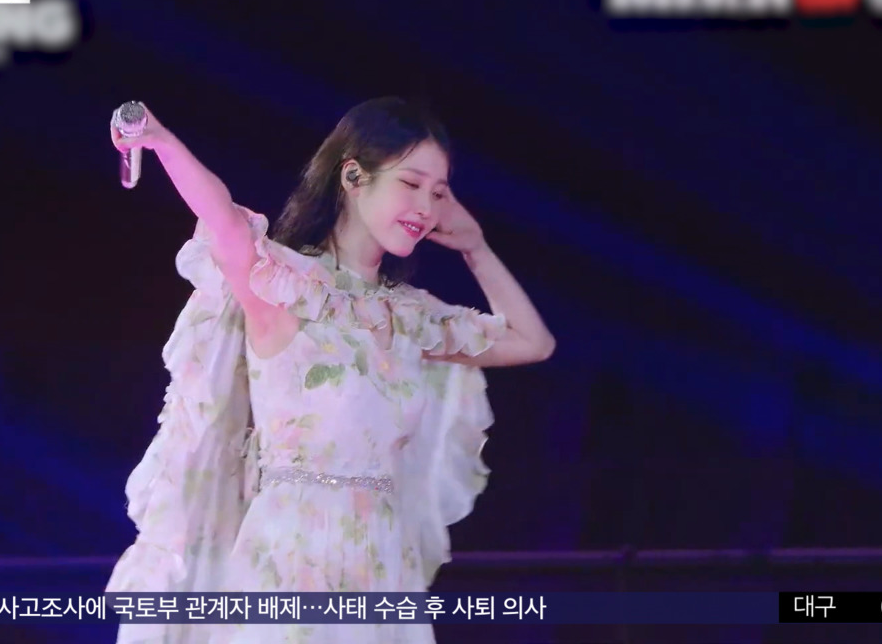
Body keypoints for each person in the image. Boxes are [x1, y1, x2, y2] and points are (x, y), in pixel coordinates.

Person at [105, 96, 555, 643]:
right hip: (290, 557)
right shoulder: (283, 283)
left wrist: (476, 247)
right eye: (411, 184)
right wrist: (161, 141)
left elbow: (532, 342)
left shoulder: (407, 315)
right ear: (354, 176)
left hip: (382, 567)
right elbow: (220, 216)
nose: (427, 207)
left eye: (439, 193)